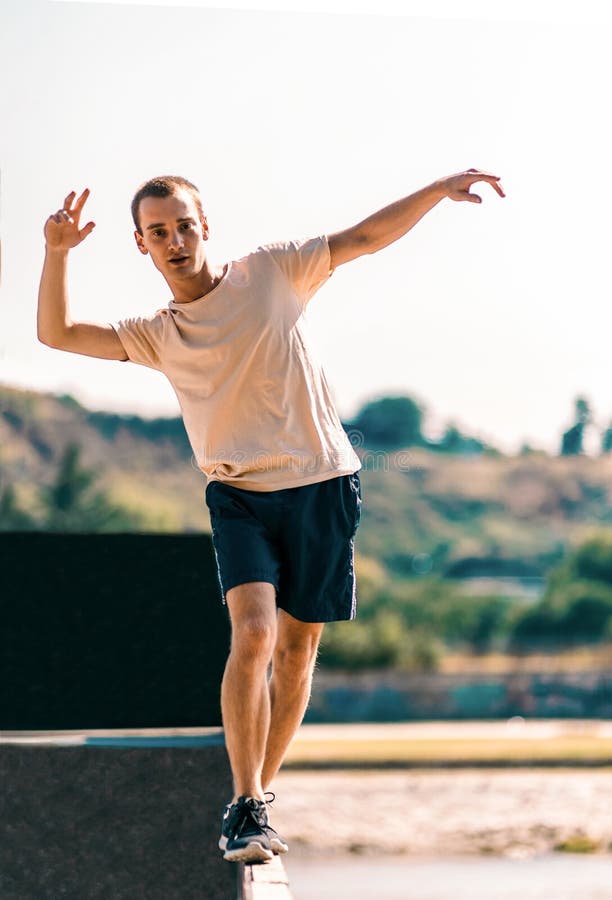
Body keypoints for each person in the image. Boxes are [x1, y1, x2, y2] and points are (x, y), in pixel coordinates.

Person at [37, 168, 505, 863]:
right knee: (253, 633)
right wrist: (57, 252)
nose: (175, 240)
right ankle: (249, 802)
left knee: (296, 652)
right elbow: (59, 335)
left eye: (185, 225)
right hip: (239, 497)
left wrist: (436, 192)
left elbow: (366, 237)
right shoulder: (160, 333)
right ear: (140, 244)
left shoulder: (275, 272)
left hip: (322, 486)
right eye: (158, 232)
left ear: (206, 226)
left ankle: (250, 803)